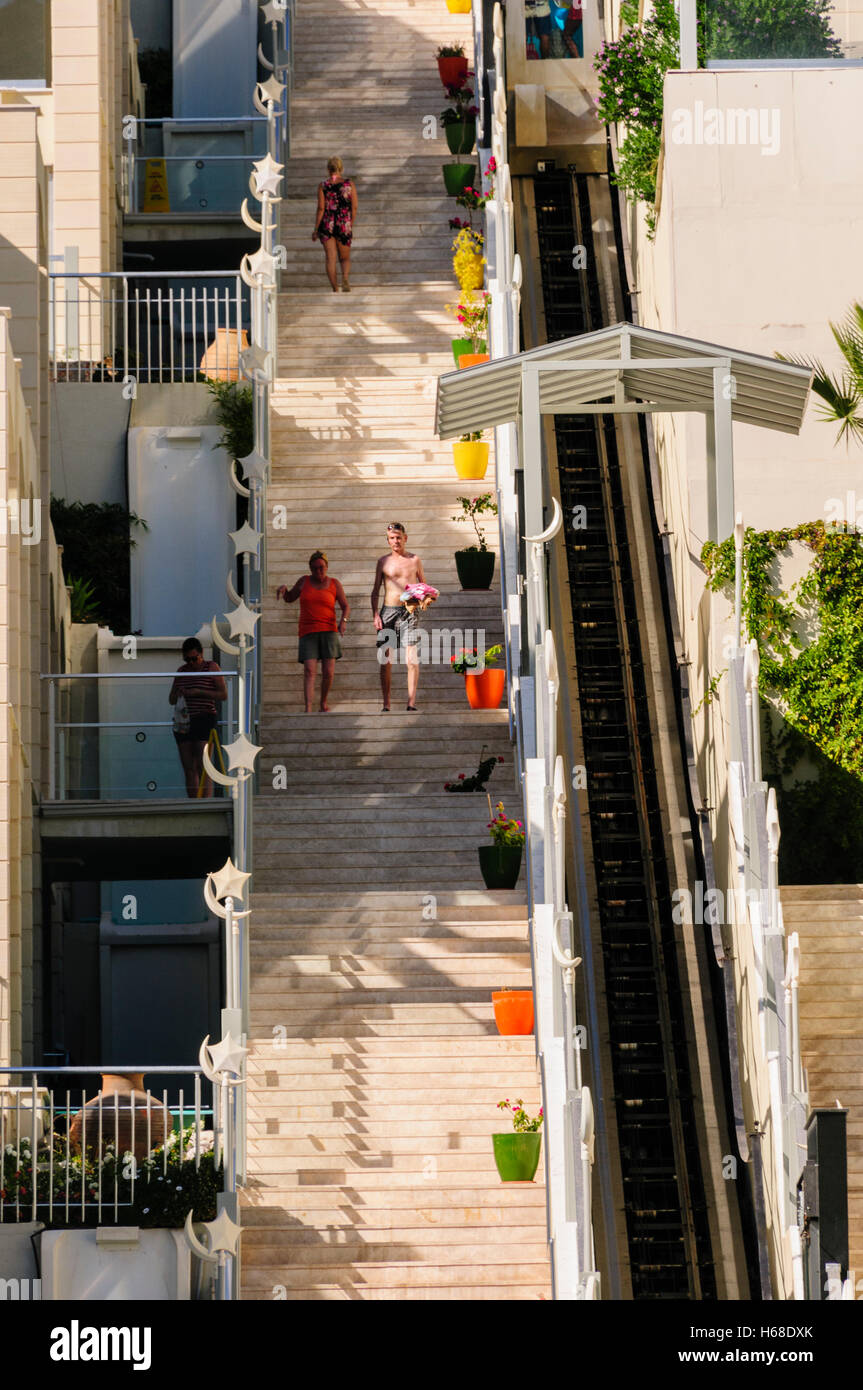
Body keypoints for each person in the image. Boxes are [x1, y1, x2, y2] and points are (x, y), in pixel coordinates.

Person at [277, 551, 350, 712]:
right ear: (310, 568)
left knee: (328, 672)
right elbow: (290, 598)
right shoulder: (304, 581)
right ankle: (308, 707)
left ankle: (323, 703)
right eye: (315, 568)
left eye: (321, 568)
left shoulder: (334, 584)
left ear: (327, 567)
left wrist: (343, 621)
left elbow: (345, 606)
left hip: (329, 631)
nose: (318, 571)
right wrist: (284, 590)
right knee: (310, 670)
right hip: (308, 631)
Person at [371, 522, 427, 713]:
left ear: (405, 538)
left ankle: (411, 703)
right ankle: (386, 703)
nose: (396, 541)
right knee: (386, 659)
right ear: (388, 541)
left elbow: (423, 587)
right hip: (388, 611)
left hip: (409, 611)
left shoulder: (414, 560)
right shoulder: (383, 562)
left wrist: (424, 600)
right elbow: (375, 591)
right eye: (392, 538)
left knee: (411, 659)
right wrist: (375, 614)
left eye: (398, 537)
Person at [169, 637, 228, 798]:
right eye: (188, 659)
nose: (192, 663)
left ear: (201, 654)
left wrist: (198, 692)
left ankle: (205, 802)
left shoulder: (211, 667)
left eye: (194, 659)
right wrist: (180, 693)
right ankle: (193, 802)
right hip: (184, 720)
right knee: (189, 766)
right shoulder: (182, 671)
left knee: (204, 765)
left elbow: (223, 694)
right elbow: (171, 699)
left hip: (204, 717)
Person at [312, 156, 358, 294]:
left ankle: (335, 289)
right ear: (341, 168)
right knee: (344, 258)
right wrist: (350, 223)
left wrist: (315, 229)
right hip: (344, 223)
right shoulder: (349, 184)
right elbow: (354, 207)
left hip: (327, 224)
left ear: (328, 169)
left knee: (330, 259)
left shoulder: (323, 185)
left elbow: (321, 208)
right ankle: (344, 278)